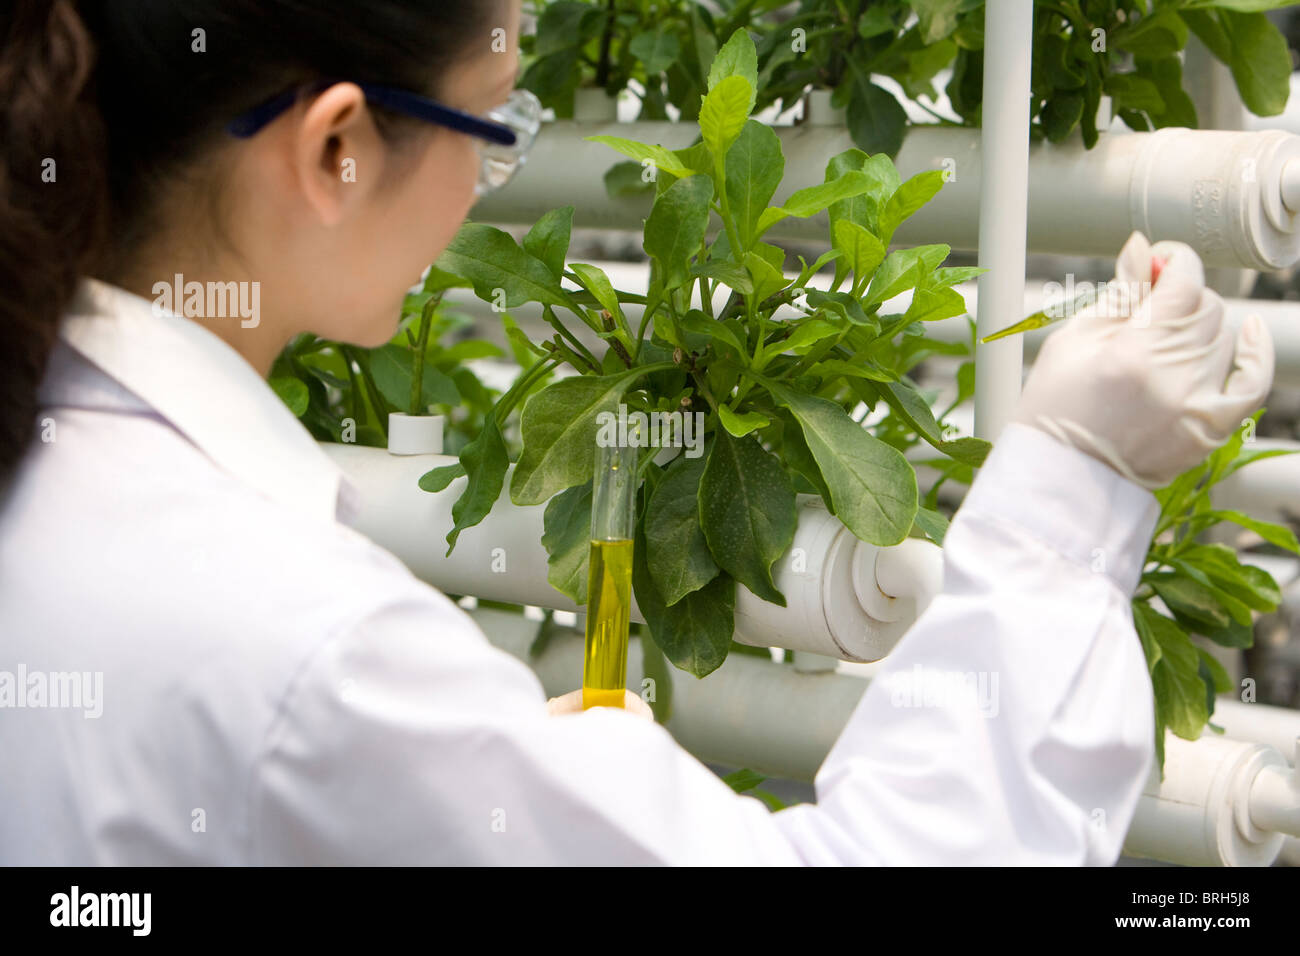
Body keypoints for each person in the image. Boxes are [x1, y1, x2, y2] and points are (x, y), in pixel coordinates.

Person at [0, 0, 1273, 866]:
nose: (483, 181)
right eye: (494, 129)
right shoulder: (303, 648)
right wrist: (1073, 481)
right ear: (337, 146)